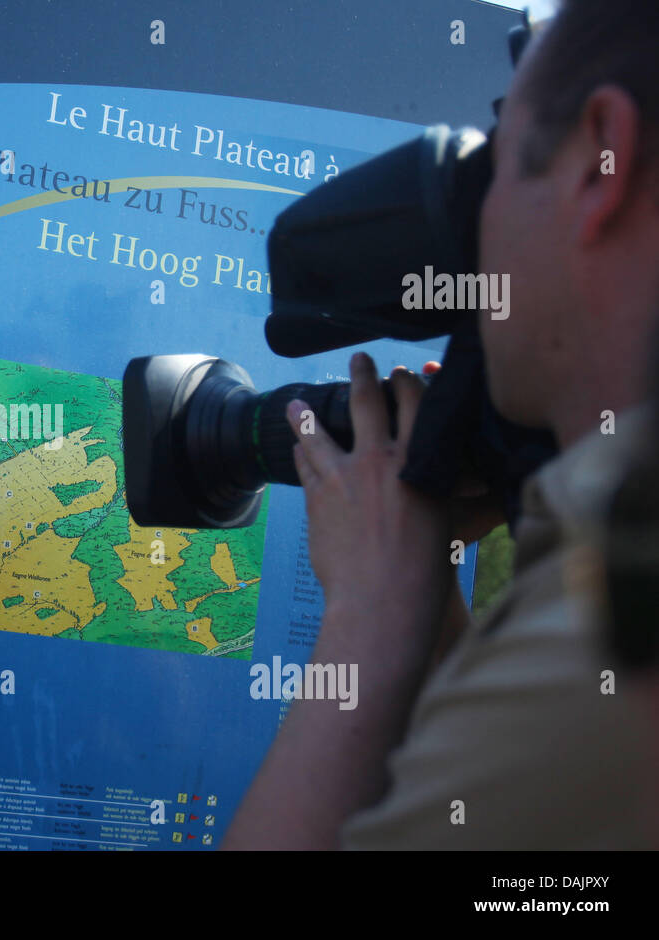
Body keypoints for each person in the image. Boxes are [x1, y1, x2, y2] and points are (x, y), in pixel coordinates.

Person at [226, 0, 659, 849]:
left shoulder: (623, 607)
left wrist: (365, 615)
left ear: (597, 164)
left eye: (496, 170)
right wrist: (432, 609)